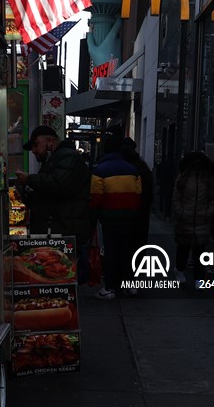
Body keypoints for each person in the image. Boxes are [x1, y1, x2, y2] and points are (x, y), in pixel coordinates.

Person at [14, 125, 92, 278]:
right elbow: (45, 196)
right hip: (54, 231)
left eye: (36, 145)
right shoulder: (52, 161)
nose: (34, 151)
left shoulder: (69, 157)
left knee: (61, 277)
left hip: (63, 232)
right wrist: (22, 193)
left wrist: (29, 179)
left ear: (50, 141)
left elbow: (59, 185)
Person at [89, 132, 142, 299]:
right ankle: (130, 286)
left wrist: (94, 217)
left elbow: (95, 199)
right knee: (127, 251)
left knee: (111, 252)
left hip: (109, 219)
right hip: (130, 218)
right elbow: (138, 194)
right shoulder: (133, 170)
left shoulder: (100, 171)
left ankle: (110, 287)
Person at [171, 151, 214, 285]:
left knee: (199, 252)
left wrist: (208, 212)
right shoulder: (183, 178)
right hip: (187, 219)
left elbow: (213, 198)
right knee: (184, 249)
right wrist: (182, 212)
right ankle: (180, 269)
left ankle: (199, 278)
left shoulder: (207, 179)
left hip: (200, 219)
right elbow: (176, 198)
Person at [120, 137, 153, 248]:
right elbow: (148, 194)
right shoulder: (142, 167)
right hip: (140, 214)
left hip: (121, 214)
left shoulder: (119, 166)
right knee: (137, 245)